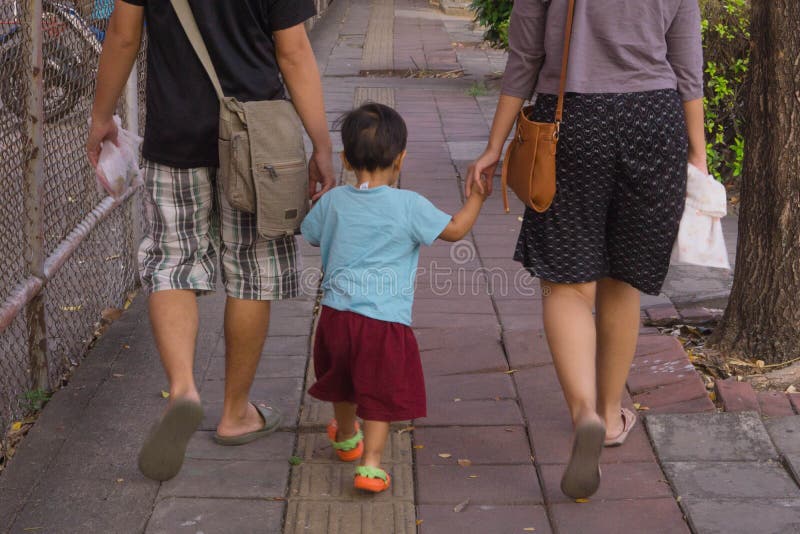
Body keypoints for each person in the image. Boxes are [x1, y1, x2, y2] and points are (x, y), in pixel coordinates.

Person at [85, 0, 335, 481]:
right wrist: (320, 144)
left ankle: (183, 390)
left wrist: (101, 116)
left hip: (175, 134)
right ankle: (236, 413)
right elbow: (294, 51)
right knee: (253, 268)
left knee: (171, 262)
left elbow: (121, 35)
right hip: (255, 136)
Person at [467, 0, 706, 499]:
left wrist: (494, 145)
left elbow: (524, 59)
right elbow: (687, 67)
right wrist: (698, 156)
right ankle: (613, 412)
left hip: (572, 120)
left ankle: (584, 414)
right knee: (624, 280)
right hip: (655, 121)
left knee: (566, 284)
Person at [301, 103, 488, 493]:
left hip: (335, 318)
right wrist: (476, 201)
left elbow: (311, 232)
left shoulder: (334, 202)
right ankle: (370, 465)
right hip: (383, 323)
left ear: (346, 159)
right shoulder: (409, 205)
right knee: (378, 392)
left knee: (342, 380)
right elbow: (454, 231)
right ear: (401, 159)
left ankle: (347, 438)